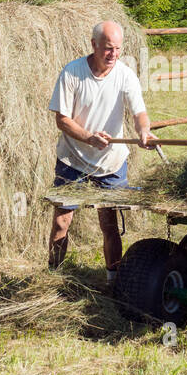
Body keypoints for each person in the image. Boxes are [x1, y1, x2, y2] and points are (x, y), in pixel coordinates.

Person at [48, 20, 157, 279]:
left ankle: (114, 280)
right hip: (73, 159)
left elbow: (139, 113)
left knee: (109, 223)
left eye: (118, 49)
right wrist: (88, 137)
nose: (114, 55)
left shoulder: (125, 75)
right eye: (108, 48)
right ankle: (54, 276)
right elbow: (61, 120)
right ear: (94, 44)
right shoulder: (72, 73)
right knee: (62, 221)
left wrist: (143, 130)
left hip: (111, 163)